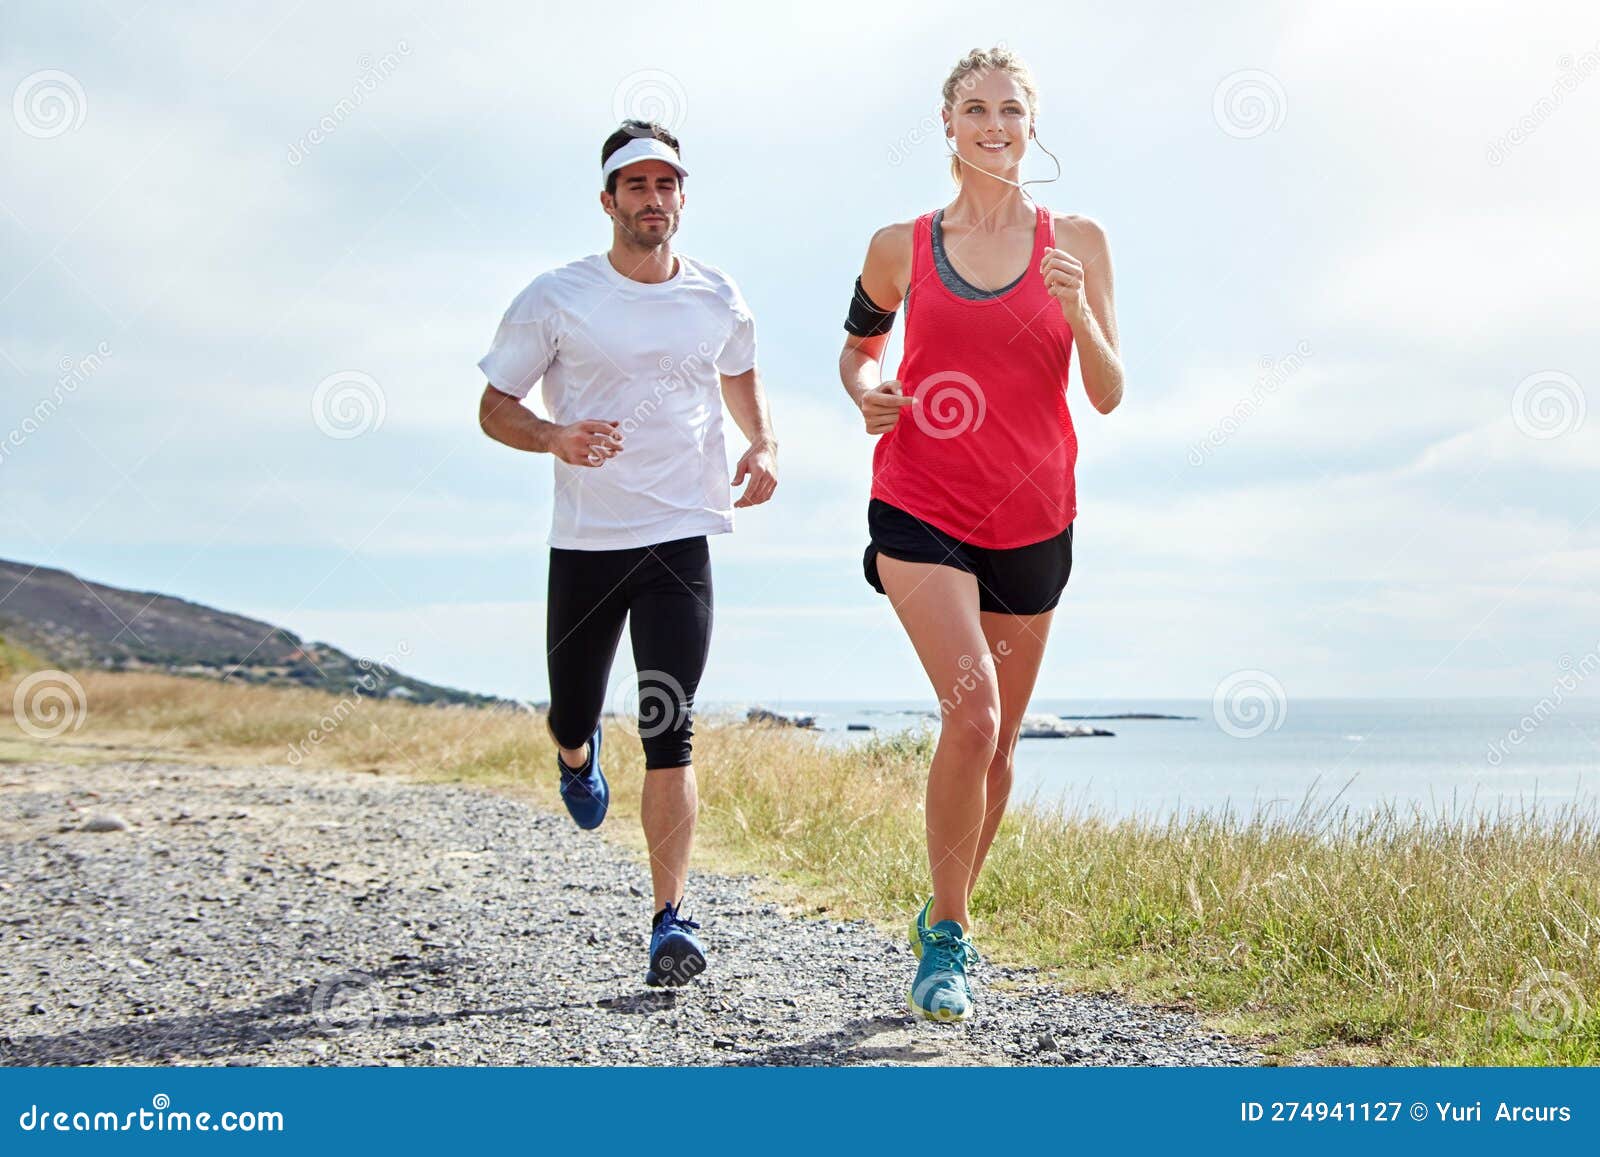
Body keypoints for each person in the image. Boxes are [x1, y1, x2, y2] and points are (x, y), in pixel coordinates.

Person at [838, 47, 1123, 1022]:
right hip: (919, 500)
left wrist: (1079, 308)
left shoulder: (1077, 239)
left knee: (998, 740)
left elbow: (1109, 389)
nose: (993, 123)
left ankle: (940, 908)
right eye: (974, 108)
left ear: (1031, 124)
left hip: (1035, 515)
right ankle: (950, 936)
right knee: (969, 715)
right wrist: (870, 390)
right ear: (947, 125)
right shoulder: (901, 244)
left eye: (1010, 108)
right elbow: (859, 346)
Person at [476, 120, 778, 987]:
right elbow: (494, 404)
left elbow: (739, 367)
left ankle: (669, 919)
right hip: (588, 543)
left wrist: (763, 445)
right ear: (608, 200)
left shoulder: (717, 296)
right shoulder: (556, 296)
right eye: (636, 186)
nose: (654, 199)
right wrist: (555, 436)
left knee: (669, 729)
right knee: (573, 711)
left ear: (683, 196)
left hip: (682, 537)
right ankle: (574, 752)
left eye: (667, 184)